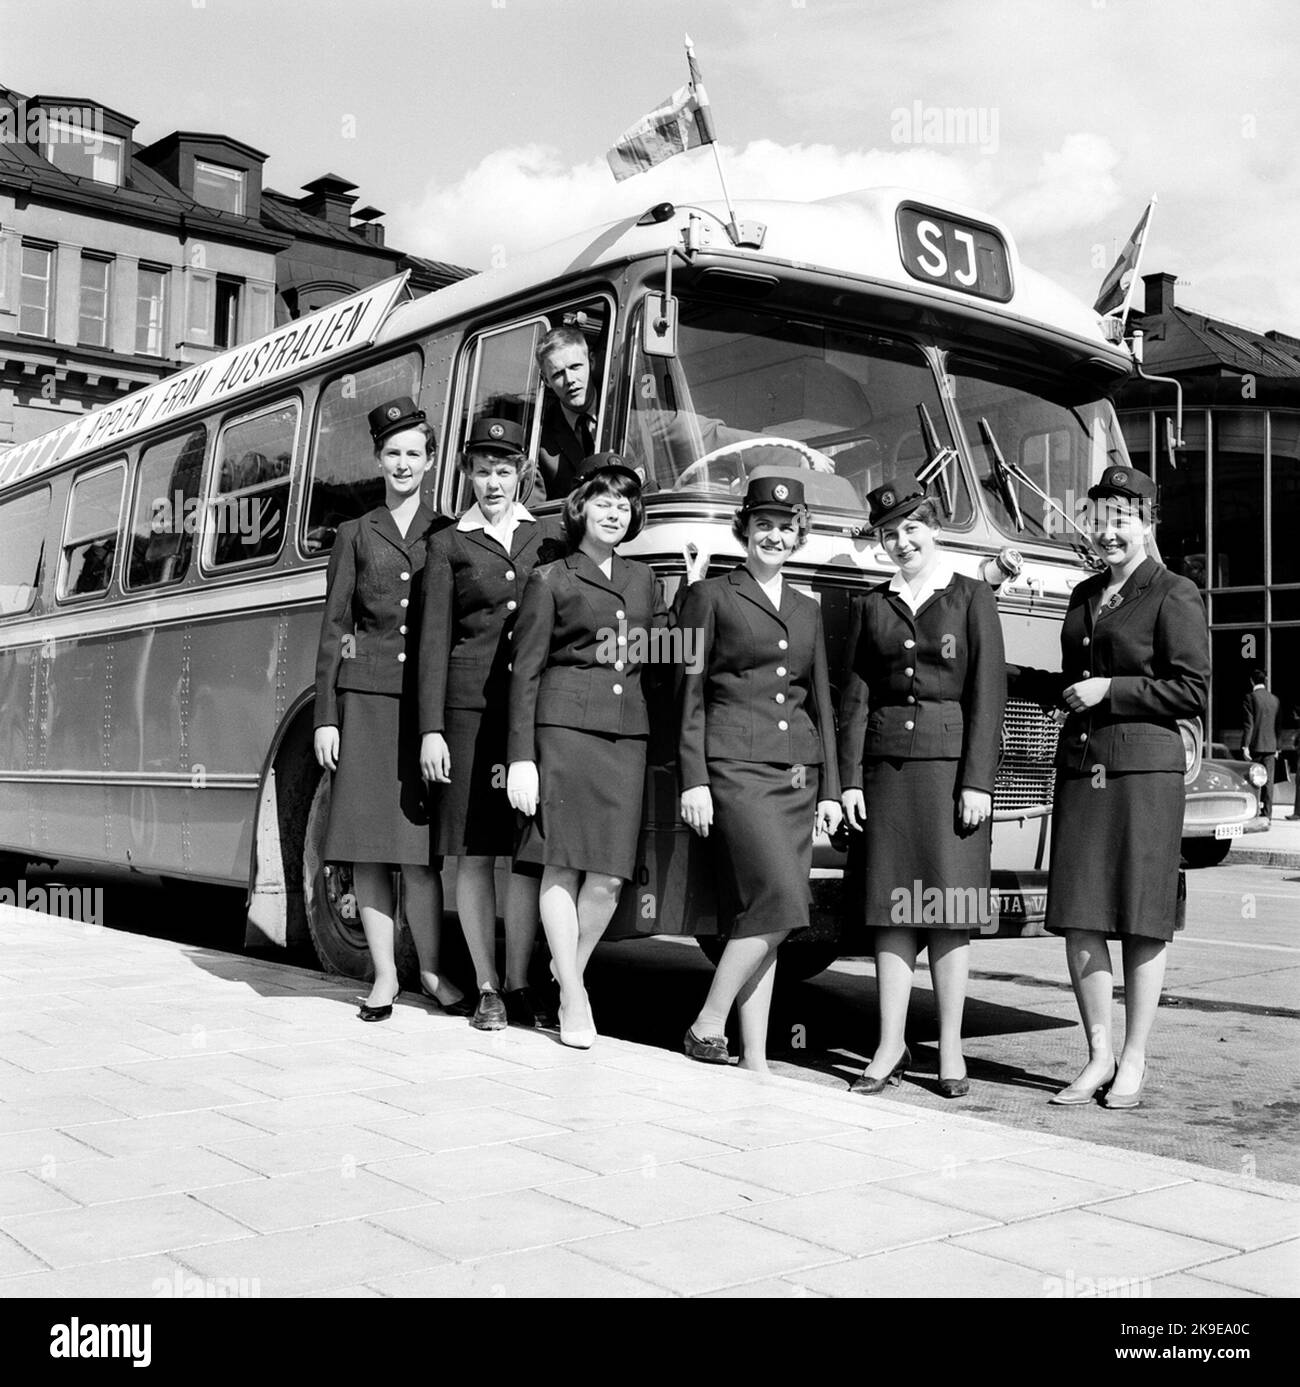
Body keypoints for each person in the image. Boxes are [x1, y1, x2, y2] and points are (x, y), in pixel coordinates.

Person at [1010, 466, 1210, 1109]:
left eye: (1124, 520)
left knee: (1142, 919)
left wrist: (1111, 692)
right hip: (1083, 770)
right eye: (1101, 519)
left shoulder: (1173, 592)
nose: (1110, 532)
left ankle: (1134, 1059)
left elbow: (1193, 690)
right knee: (1080, 915)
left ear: (1149, 522)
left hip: (1144, 776)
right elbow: (1072, 680)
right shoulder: (1084, 592)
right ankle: (1096, 1057)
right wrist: (1000, 669)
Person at [839, 474, 1005, 1098]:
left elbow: (988, 695)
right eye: (889, 534)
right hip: (886, 774)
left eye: (912, 528)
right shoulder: (872, 604)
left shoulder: (969, 597)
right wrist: (849, 781)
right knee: (891, 912)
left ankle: (952, 1047)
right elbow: (856, 699)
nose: (902, 542)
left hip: (948, 775)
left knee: (949, 911)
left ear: (933, 528)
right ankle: (889, 1044)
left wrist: (977, 782)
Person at [678, 476, 842, 1072]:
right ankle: (706, 1022)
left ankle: (755, 1059)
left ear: (799, 535)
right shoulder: (711, 596)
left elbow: (819, 700)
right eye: (764, 524)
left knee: (762, 913)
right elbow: (688, 692)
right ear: (745, 529)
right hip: (734, 769)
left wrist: (827, 787)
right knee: (781, 899)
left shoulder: (808, 609)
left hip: (796, 778)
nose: (775, 535)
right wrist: (693, 778)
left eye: (787, 526)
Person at [313, 396, 464, 1021]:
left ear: (430, 462)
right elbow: (333, 629)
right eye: (393, 452)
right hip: (367, 704)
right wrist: (326, 714)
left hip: (425, 710)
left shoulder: (447, 532)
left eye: (414, 453)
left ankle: (430, 970)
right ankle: (383, 978)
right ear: (379, 458)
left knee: (420, 854)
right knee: (371, 848)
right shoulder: (355, 533)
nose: (403, 463)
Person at [506, 456, 664, 1048]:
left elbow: (658, 653)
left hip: (625, 736)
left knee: (609, 879)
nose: (614, 512)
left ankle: (562, 967)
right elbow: (525, 673)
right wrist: (521, 756)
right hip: (564, 734)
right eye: (602, 501)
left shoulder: (646, 580)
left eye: (624, 504)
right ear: (580, 509)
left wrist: (692, 589)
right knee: (562, 864)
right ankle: (575, 993)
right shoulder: (551, 579)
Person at [419, 417, 565, 1030]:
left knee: (526, 853)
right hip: (469, 716)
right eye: (482, 470)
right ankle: (486, 986)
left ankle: (521, 979)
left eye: (504, 470)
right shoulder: (448, 544)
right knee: (476, 853)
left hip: (533, 714)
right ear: (467, 475)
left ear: (520, 475)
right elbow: (432, 643)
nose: (493, 482)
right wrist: (431, 728)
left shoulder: (549, 538)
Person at [535, 326, 599, 498]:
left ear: (591, 362)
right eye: (557, 374)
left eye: (575, 367)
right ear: (545, 381)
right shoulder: (538, 438)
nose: (569, 380)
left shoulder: (628, 412)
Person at [1241, 669, 1279, 819]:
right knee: (1268, 782)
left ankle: (1254, 811)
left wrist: (1245, 746)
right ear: (1265, 680)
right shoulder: (1275, 699)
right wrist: (1278, 747)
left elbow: (1248, 725)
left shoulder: (1250, 698)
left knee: (1254, 780)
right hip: (1271, 747)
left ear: (1252, 681)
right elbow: (1278, 726)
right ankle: (1267, 814)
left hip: (1255, 746)